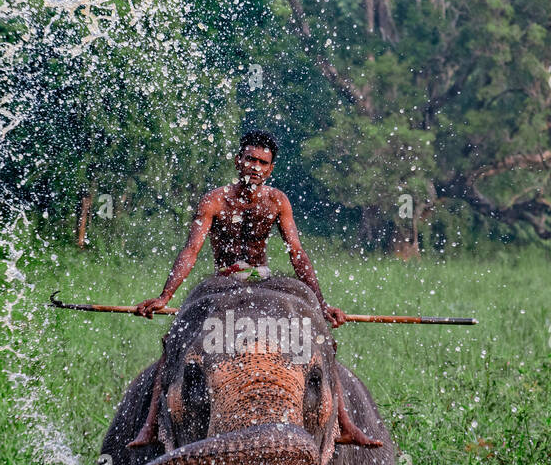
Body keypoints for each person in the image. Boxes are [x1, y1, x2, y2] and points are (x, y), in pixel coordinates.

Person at [129, 130, 380, 448]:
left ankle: (343, 424)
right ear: (238, 161)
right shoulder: (215, 201)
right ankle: (151, 426)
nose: (255, 167)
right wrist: (166, 296)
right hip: (223, 282)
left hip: (263, 280)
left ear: (270, 169)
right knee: (175, 341)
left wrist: (320, 303)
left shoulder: (276, 201)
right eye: (250, 159)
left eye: (263, 162)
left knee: (321, 342)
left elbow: (296, 252)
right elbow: (191, 250)